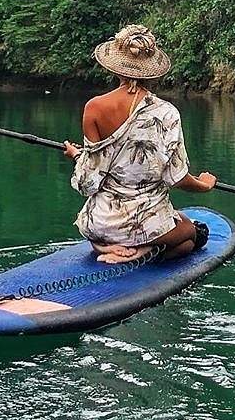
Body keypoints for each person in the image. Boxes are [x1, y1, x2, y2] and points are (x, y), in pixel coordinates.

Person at [63, 24, 217, 264]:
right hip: (147, 224)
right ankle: (141, 251)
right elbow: (176, 178)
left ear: (115, 67)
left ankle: (104, 247)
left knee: (182, 241)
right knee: (193, 234)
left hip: (101, 223)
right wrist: (204, 185)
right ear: (151, 71)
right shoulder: (167, 113)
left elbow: (87, 181)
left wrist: (76, 156)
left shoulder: (94, 108)